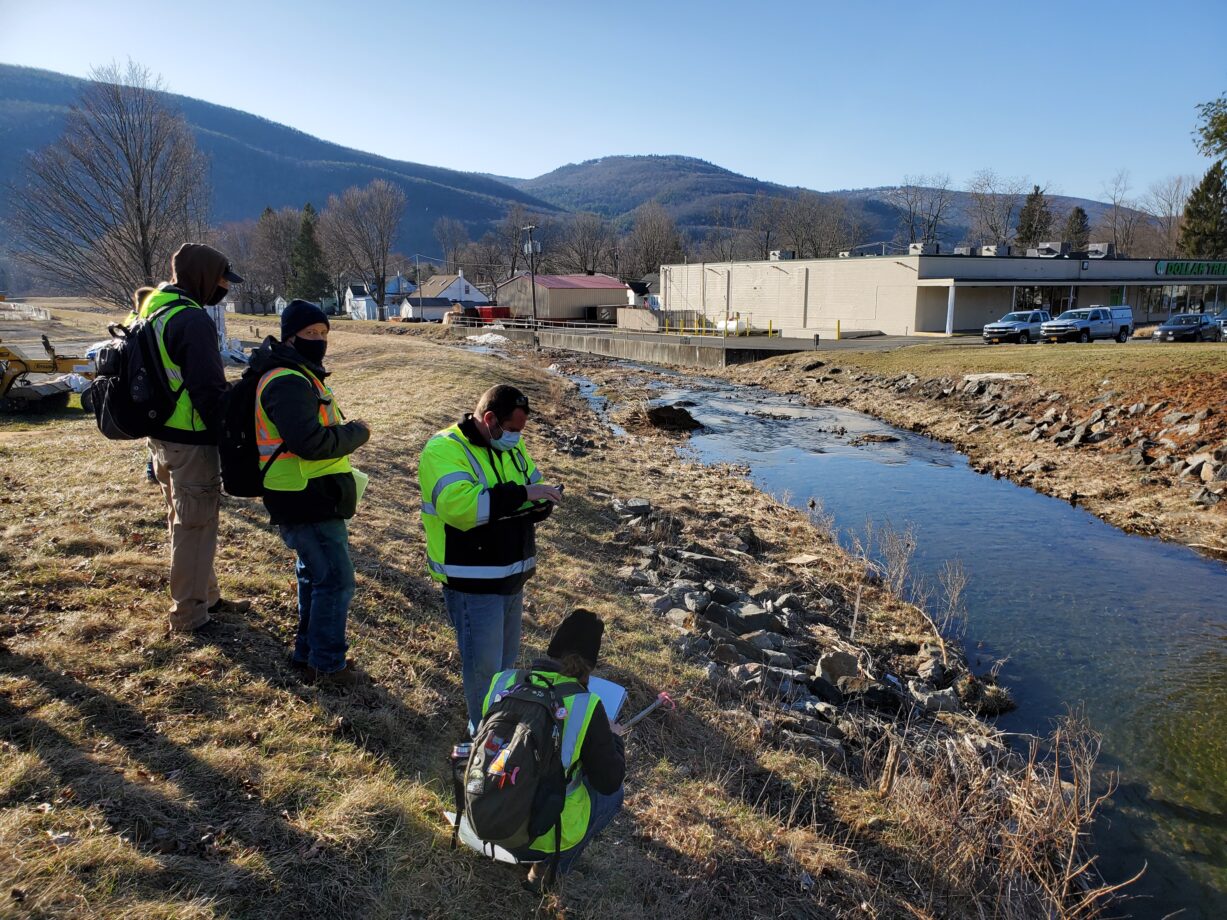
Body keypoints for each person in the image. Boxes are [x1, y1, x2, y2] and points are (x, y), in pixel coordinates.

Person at [417, 384, 563, 731]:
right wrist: (523, 495)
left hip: (511, 574)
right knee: (483, 665)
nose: (517, 438)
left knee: (505, 660)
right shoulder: (444, 449)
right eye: (512, 431)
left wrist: (542, 501)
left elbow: (532, 485)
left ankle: (498, 720)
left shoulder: (511, 445)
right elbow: (461, 507)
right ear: (489, 419)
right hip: (473, 579)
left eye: (520, 432)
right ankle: (482, 731)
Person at [249, 300, 370, 689]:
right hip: (303, 495)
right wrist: (357, 432)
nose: (319, 340)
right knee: (335, 580)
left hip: (310, 492)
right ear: (289, 337)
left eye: (323, 333)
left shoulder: (299, 375)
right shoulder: (287, 380)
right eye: (309, 333)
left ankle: (307, 654)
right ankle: (328, 665)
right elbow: (309, 443)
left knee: (314, 576)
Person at [138, 243, 247, 632]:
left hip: (160, 438)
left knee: (182, 519)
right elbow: (207, 393)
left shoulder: (154, 307)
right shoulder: (193, 320)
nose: (223, 288)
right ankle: (189, 614)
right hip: (191, 439)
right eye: (221, 280)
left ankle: (208, 597)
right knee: (196, 526)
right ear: (203, 277)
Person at [484, 609, 625, 887]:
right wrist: (614, 738)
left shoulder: (503, 680)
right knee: (613, 795)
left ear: (551, 648)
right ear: (590, 665)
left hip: (488, 813)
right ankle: (546, 872)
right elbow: (609, 781)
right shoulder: (588, 705)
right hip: (539, 835)